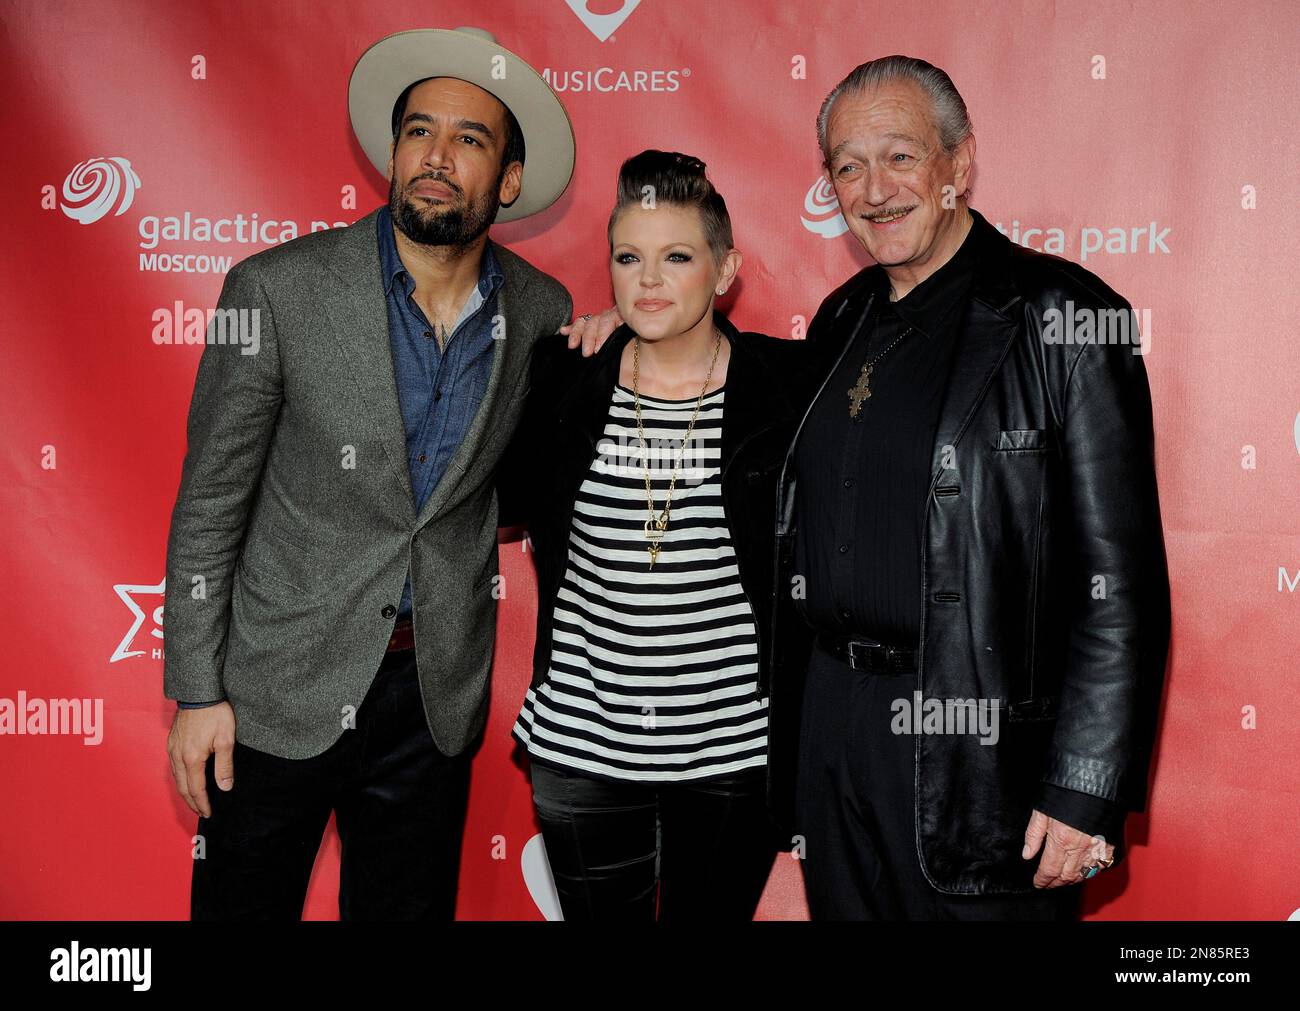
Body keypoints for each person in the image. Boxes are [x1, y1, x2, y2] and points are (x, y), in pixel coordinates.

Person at [565, 56, 1170, 921]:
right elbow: (704, 364)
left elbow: (1123, 587)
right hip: (831, 730)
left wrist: (1085, 789)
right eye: (848, 165)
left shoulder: (1060, 317)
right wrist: (619, 323)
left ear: (958, 165)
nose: (873, 188)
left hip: (976, 743)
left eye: (900, 157)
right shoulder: (844, 316)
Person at [162, 26, 575, 920]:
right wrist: (198, 690)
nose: (436, 156)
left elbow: (518, 485)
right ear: (392, 151)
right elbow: (210, 503)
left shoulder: (543, 311)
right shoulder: (276, 289)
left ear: (507, 180)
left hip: (430, 702)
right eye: (420, 131)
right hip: (276, 690)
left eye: (469, 139)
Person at [498, 150, 811, 920]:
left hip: (734, 753)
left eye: (677, 257)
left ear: (725, 268)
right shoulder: (567, 372)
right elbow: (501, 500)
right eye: (629, 258)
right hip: (582, 748)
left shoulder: (790, 385)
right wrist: (599, 346)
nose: (648, 280)